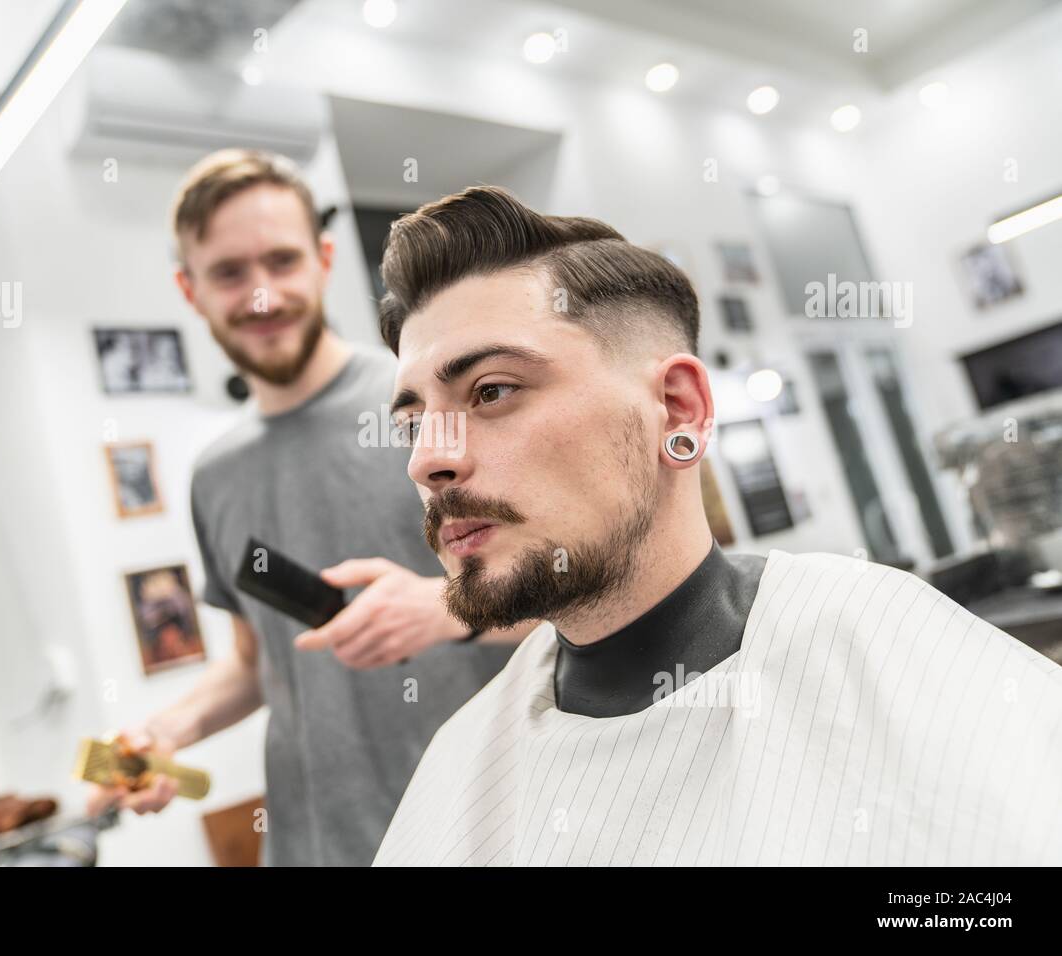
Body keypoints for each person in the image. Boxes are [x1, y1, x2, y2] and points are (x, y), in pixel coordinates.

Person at [370, 185, 1062, 866]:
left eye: (491, 391)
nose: (427, 459)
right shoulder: (461, 765)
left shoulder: (888, 650)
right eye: (412, 423)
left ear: (676, 410)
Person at [87, 151, 525, 866]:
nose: (261, 295)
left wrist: (445, 608)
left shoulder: (427, 403)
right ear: (189, 289)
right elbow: (259, 662)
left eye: (281, 261)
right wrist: (170, 729)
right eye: (229, 272)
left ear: (323, 260)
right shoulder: (214, 477)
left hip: (475, 837)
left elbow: (575, 589)